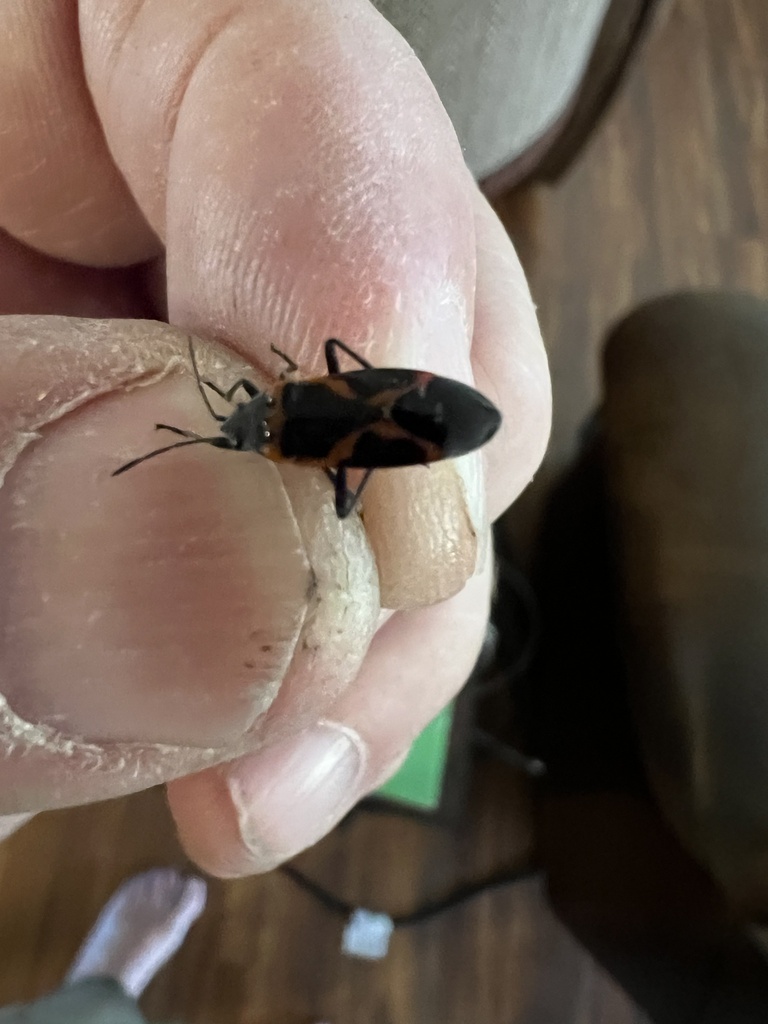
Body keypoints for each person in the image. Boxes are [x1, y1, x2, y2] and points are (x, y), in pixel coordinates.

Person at [0, 0, 555, 878]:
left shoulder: (289, 438)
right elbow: (330, 387)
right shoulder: (291, 404)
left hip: (416, 418)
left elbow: (335, 458)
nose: (235, 422)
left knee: (352, 496)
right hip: (403, 400)